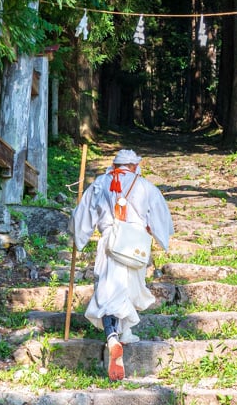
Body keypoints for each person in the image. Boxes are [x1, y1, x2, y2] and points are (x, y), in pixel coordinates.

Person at [71, 149, 173, 380]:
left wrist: (79, 234)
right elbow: (160, 218)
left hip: (111, 242)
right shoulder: (146, 186)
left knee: (109, 291)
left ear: (115, 165)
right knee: (127, 289)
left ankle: (113, 336)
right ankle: (123, 333)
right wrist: (157, 234)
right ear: (135, 166)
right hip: (136, 246)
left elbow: (83, 215)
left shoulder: (100, 184)